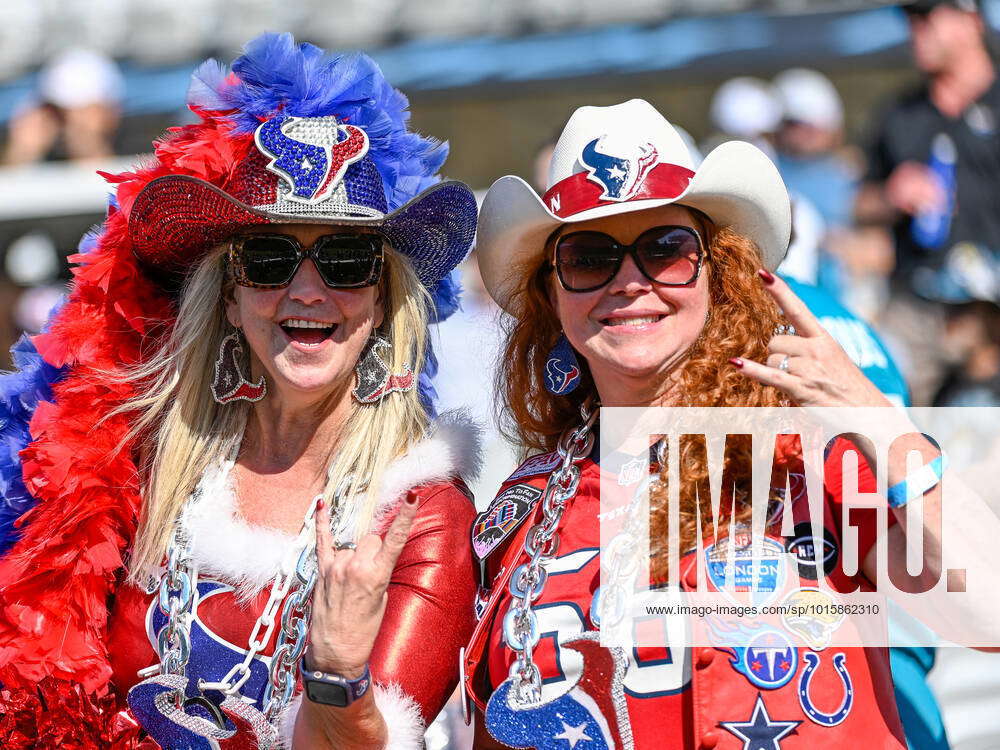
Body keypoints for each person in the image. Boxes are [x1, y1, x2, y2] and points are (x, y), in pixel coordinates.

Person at [461, 99, 991, 749]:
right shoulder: (525, 513)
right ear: (551, 293)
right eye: (591, 257)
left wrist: (869, 417)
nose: (629, 282)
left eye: (665, 249)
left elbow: (987, 610)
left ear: (719, 274)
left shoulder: (813, 452)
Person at [0, 33, 481, 749]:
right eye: (270, 257)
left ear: (382, 300)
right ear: (229, 296)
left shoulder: (421, 516)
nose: (308, 290)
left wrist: (338, 675)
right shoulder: (135, 464)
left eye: (347, 260)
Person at [856, 0, 1000, 403]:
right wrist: (891, 194)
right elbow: (860, 205)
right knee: (887, 415)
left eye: (928, 17)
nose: (916, 29)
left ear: (971, 21)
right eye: (911, 20)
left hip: (991, 311)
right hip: (917, 306)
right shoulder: (900, 113)